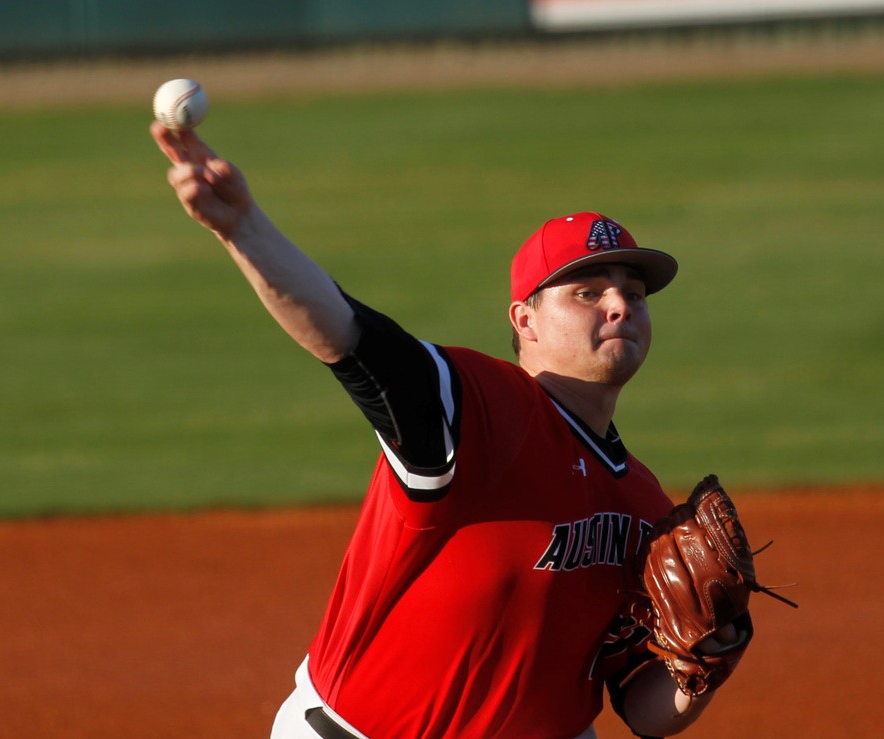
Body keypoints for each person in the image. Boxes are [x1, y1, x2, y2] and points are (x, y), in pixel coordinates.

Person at [151, 121, 735, 739]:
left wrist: (716, 647)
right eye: (588, 293)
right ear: (525, 321)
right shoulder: (480, 410)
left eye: (634, 295)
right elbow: (350, 338)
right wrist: (244, 229)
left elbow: (643, 707)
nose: (619, 306)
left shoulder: (645, 505)